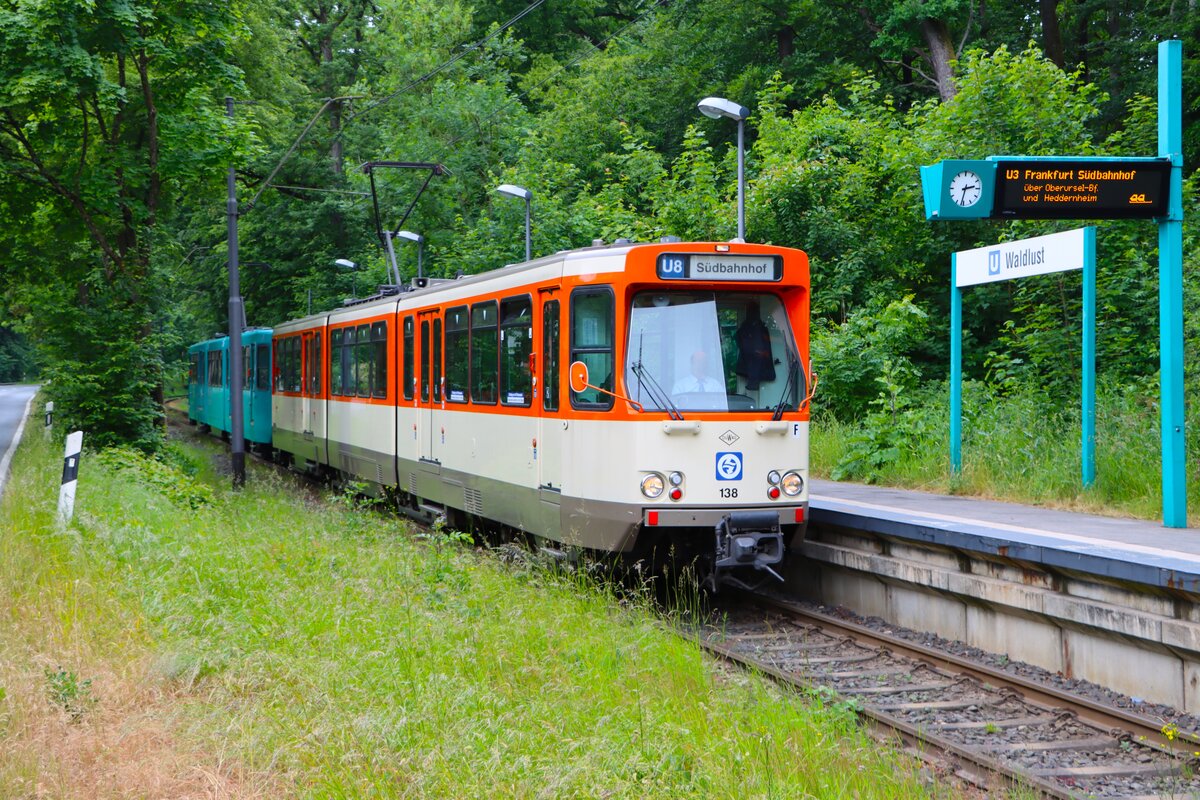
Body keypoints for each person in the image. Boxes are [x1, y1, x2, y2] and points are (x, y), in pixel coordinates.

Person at [735, 302, 775, 390]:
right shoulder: (752, 327)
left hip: (755, 359)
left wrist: (761, 353)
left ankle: (753, 383)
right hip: (754, 359)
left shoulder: (757, 327)